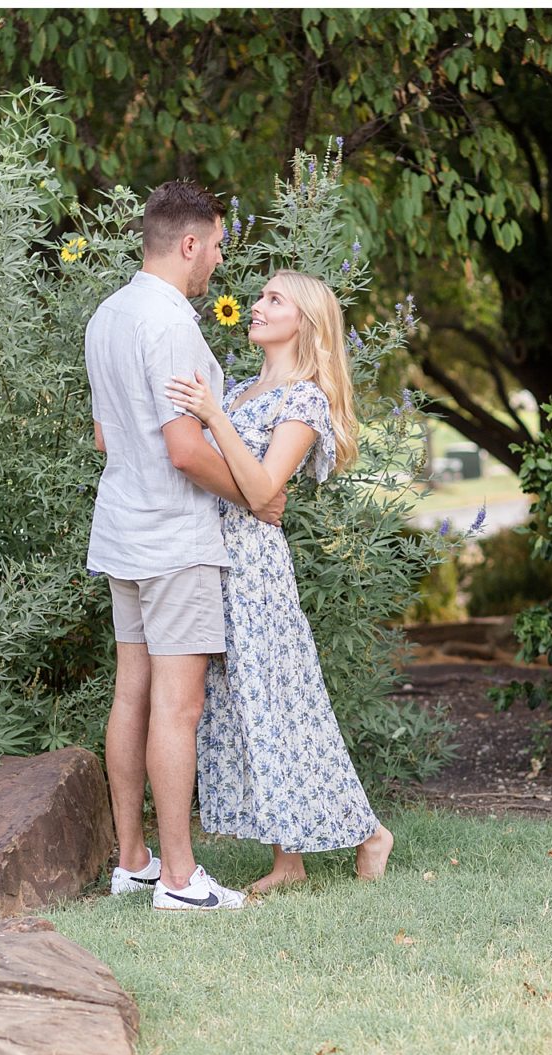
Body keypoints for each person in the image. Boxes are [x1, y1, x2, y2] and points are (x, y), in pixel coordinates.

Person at [85, 179, 286, 912]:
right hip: (173, 538)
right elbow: (183, 449)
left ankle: (132, 862)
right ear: (191, 243)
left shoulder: (108, 315)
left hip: (122, 530)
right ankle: (177, 879)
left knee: (130, 694)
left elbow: (107, 435)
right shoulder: (169, 323)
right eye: (219, 247)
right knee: (179, 707)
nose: (220, 264)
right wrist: (256, 495)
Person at [165, 269, 395, 894]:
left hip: (256, 575)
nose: (257, 306)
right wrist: (224, 425)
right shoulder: (238, 390)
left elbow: (266, 489)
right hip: (210, 558)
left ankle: (369, 832)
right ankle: (288, 862)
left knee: (283, 708)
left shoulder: (304, 400)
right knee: (248, 711)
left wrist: (213, 417)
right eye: (260, 297)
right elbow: (239, 482)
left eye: (274, 300)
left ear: (306, 323)